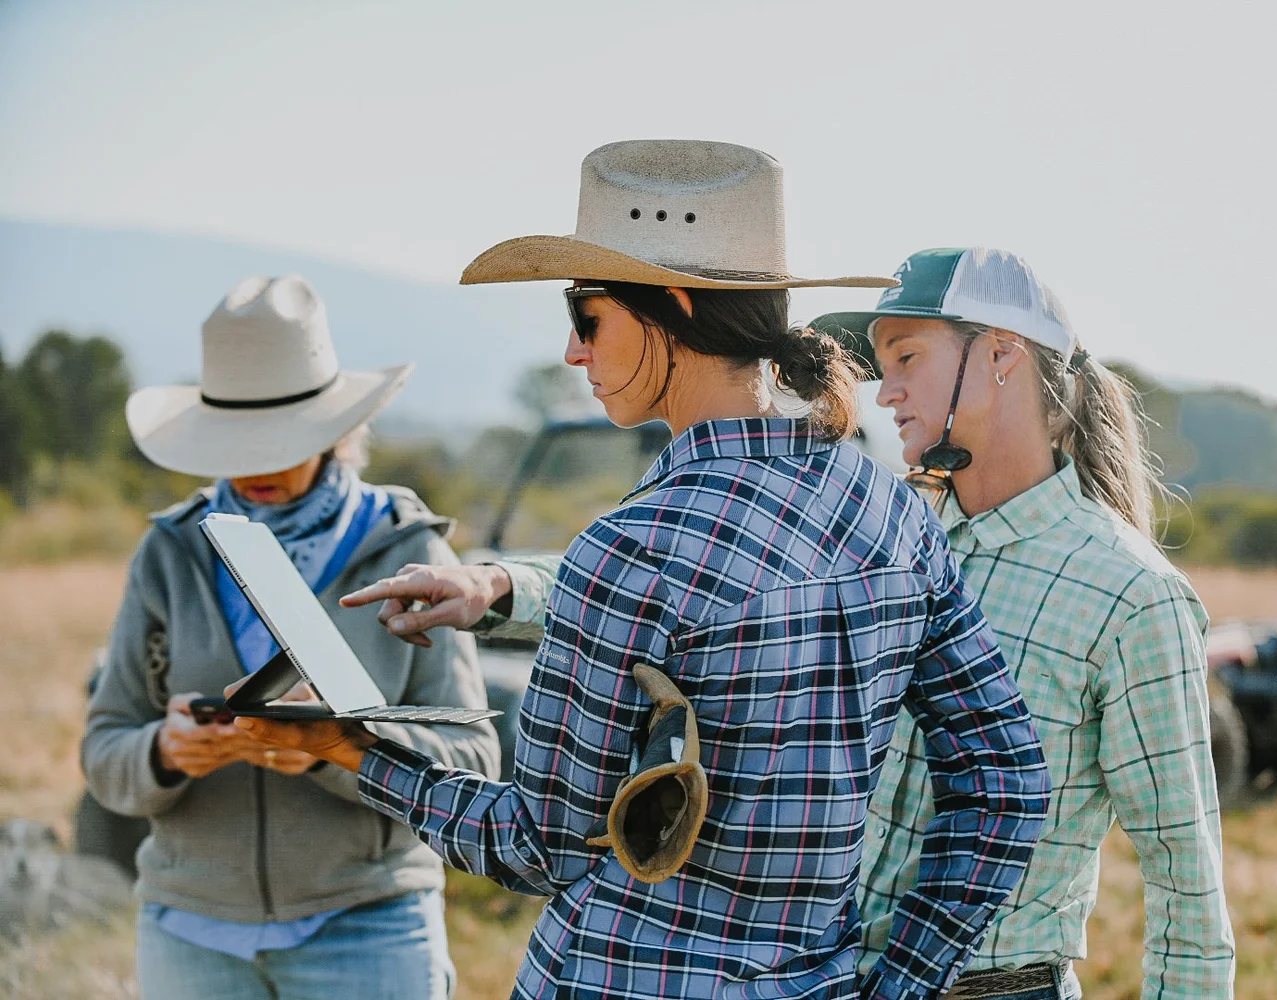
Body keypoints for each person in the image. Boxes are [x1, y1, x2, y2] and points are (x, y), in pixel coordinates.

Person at [234, 140, 1052, 1000]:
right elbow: (1005, 784)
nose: (572, 352)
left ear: (669, 309)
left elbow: (532, 848)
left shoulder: (630, 547)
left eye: (585, 316)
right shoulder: (896, 514)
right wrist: (902, 986)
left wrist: (350, 748)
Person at [812, 247, 1236, 999]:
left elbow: (1184, 877)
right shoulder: (894, 547)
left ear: (1001, 354)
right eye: (883, 367)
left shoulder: (1132, 595)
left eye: (906, 357)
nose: (886, 393)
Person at [82, 275, 500, 1000]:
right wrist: (164, 751)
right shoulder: (170, 553)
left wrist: (337, 749)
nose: (257, 465)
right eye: (236, 442)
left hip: (369, 927)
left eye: (282, 441)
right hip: (189, 937)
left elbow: (472, 758)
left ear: (338, 429)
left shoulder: (411, 553)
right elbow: (105, 749)